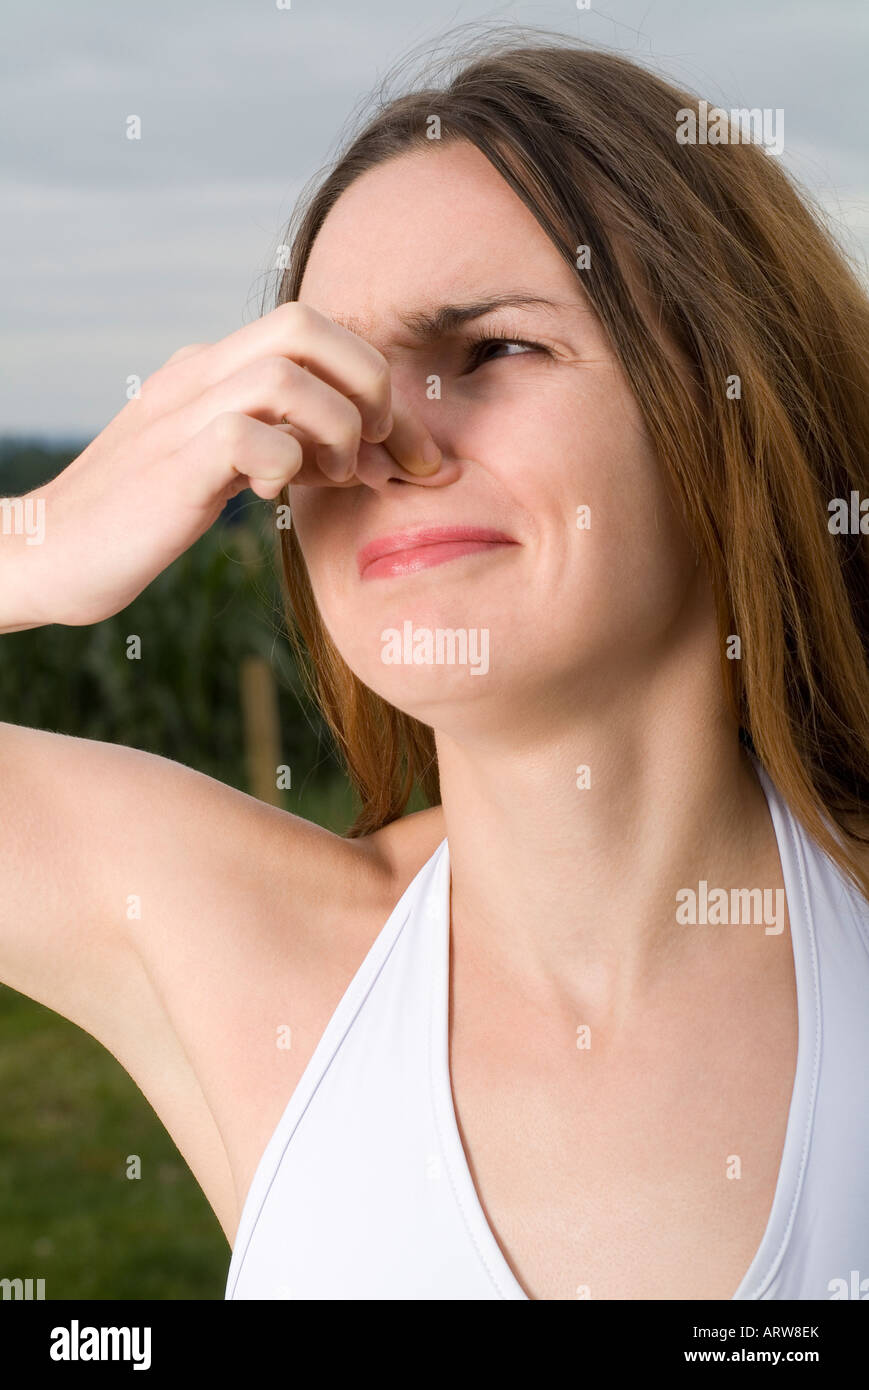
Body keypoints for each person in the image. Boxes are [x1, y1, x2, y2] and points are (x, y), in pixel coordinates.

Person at [1, 31, 868, 1302]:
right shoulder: (242, 946)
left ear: (729, 394)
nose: (383, 443)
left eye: (494, 351)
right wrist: (35, 537)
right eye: (325, 384)